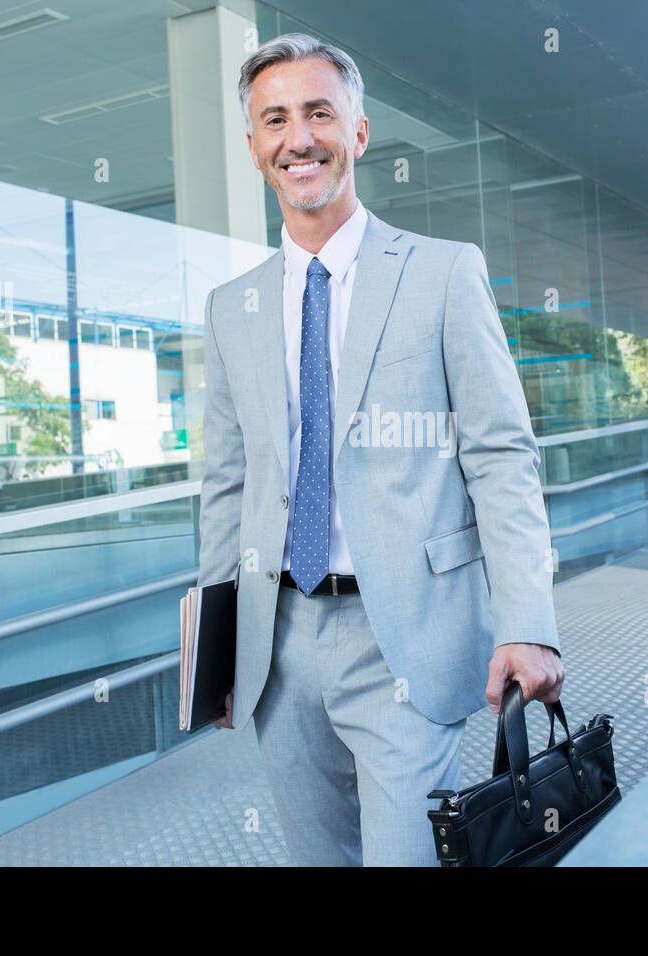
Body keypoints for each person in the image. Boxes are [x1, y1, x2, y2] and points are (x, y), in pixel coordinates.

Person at [195, 34, 563, 866]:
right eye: (275, 119)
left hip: (404, 631)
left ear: (358, 134)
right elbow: (227, 486)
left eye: (319, 113)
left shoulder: (441, 273)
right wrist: (215, 651)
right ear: (255, 146)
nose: (299, 138)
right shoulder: (231, 308)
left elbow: (500, 456)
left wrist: (529, 623)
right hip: (275, 643)